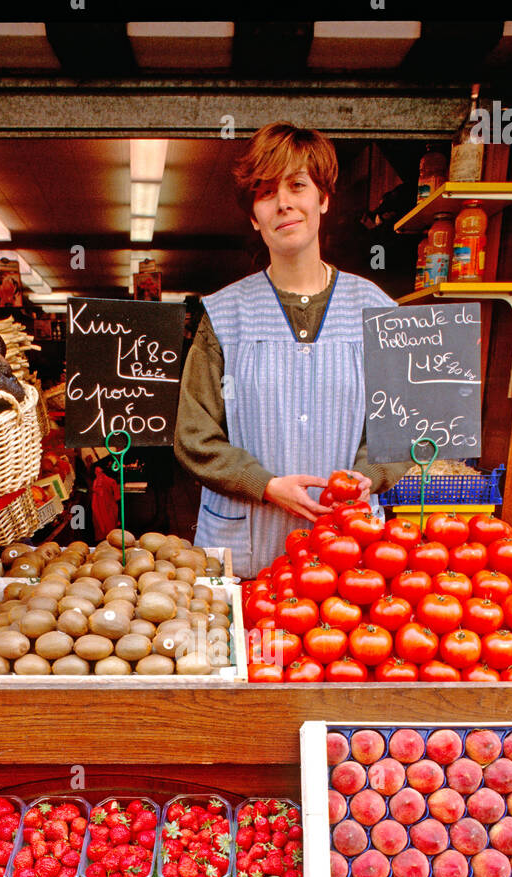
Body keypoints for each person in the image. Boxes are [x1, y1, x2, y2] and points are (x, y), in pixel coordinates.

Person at [174, 122, 411, 578]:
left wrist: (370, 476)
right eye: (265, 193)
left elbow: (399, 429)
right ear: (253, 215)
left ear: (323, 198)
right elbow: (193, 434)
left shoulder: (378, 310)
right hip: (243, 549)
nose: (283, 202)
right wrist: (262, 484)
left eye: (297, 185)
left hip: (347, 548)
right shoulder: (224, 314)